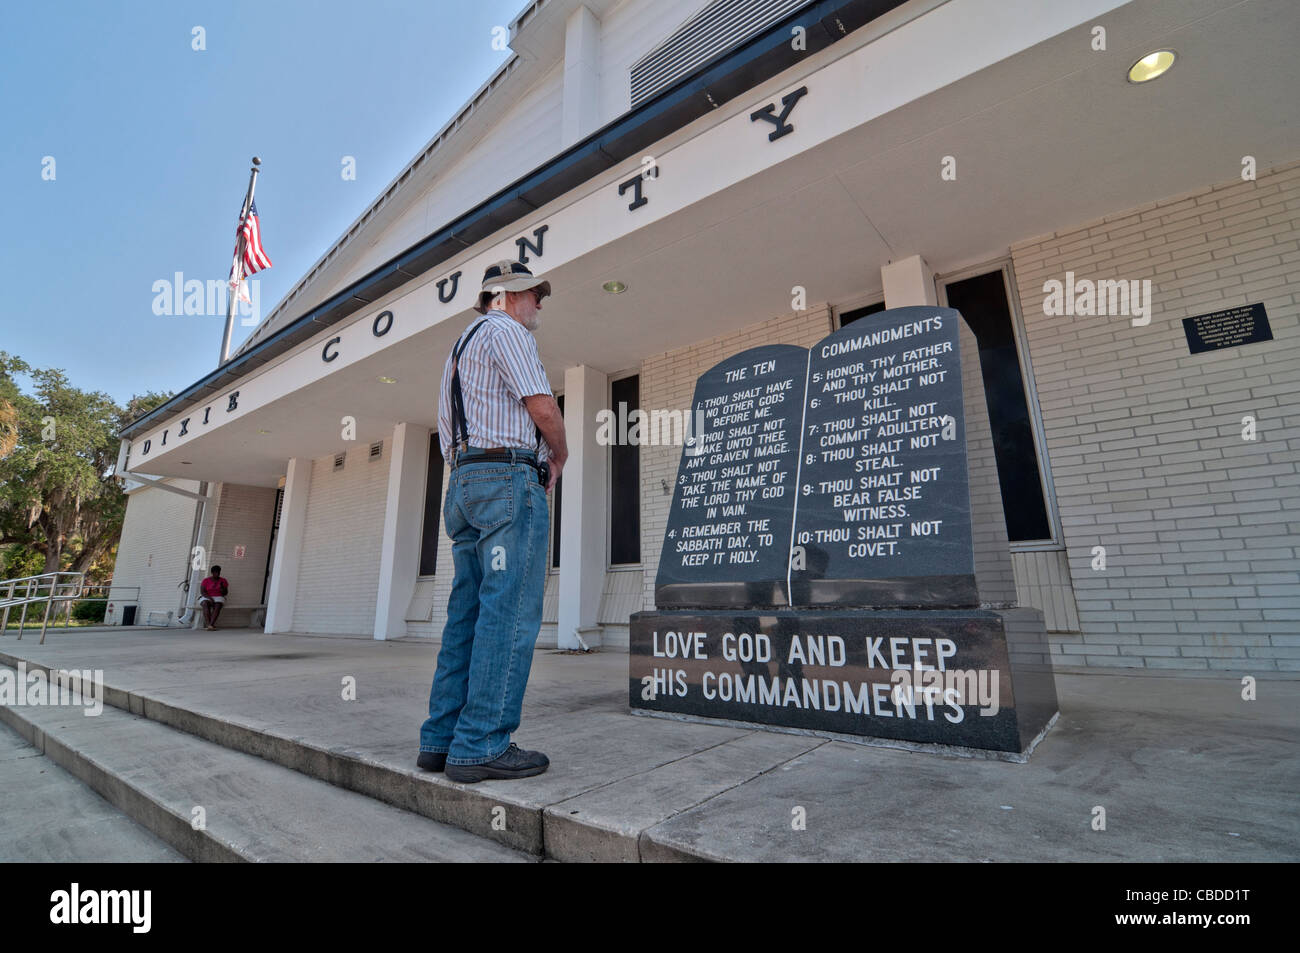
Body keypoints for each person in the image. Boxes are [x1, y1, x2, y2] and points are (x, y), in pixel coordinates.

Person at [417, 259, 568, 783]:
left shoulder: (459, 348)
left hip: (463, 484)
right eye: (534, 294)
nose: (539, 304)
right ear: (504, 295)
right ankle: (481, 743)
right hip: (505, 479)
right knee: (510, 611)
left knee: (467, 612)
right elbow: (542, 406)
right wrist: (560, 455)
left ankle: (440, 739)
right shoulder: (505, 330)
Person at [198, 566, 228, 631]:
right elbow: (202, 592)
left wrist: (222, 588)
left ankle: (211, 625)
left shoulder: (223, 580)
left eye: (218, 572)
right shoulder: (206, 580)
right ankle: (208, 624)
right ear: (212, 573)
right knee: (205, 604)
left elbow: (225, 593)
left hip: (219, 596)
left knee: (218, 605)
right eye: (215, 572)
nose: (217, 574)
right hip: (207, 596)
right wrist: (210, 598)